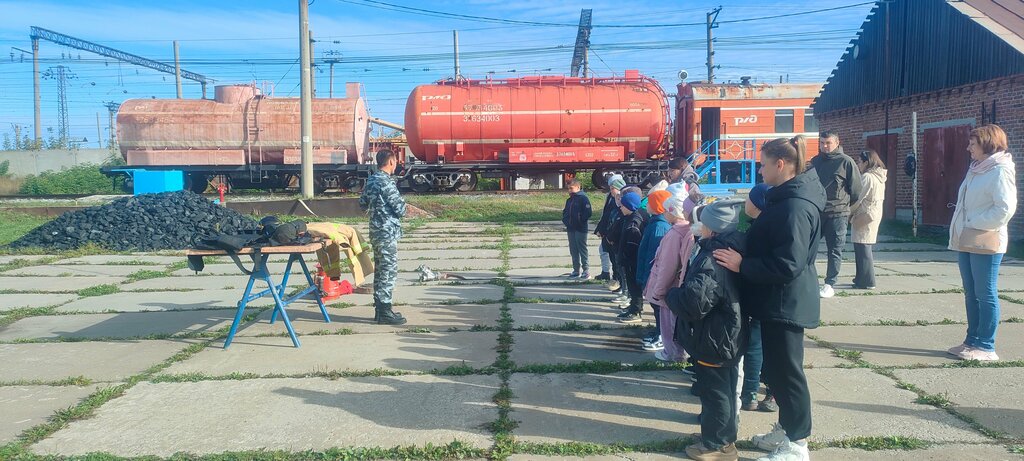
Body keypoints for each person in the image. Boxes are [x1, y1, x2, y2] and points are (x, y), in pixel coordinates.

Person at [713, 136, 824, 461]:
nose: (759, 170)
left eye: (762, 164)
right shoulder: (786, 198)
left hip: (786, 302)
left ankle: (797, 444)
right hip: (777, 301)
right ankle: (786, 428)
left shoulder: (795, 207)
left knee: (788, 374)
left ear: (781, 164)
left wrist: (742, 264)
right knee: (775, 373)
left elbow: (788, 263)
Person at [666, 198, 747, 461]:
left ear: (712, 228)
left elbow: (695, 303)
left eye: (704, 223)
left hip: (715, 337)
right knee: (722, 389)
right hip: (725, 334)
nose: (698, 227)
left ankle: (718, 446)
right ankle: (718, 436)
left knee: (715, 393)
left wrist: (672, 295)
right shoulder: (730, 248)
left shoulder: (713, 259)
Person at [947, 124, 1018, 362]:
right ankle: (972, 340)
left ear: (987, 144)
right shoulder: (977, 168)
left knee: (985, 292)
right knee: (971, 292)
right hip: (967, 237)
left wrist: (973, 221)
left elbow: (1005, 208)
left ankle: (987, 346)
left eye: (972, 144)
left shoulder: (1000, 170)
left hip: (986, 239)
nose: (968, 148)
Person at [644, 192, 697, 362]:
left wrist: (658, 291)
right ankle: (678, 352)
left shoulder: (675, 234)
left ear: (673, 212)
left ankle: (672, 353)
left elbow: (667, 265)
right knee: (676, 323)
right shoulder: (687, 231)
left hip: (669, 288)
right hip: (676, 287)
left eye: (666, 210)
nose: (664, 213)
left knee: (669, 323)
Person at [739, 183, 778, 413]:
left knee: (756, 346)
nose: (746, 203)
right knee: (769, 346)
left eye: (749, 200)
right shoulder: (772, 223)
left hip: (761, 294)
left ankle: (752, 392)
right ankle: (769, 392)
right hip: (770, 295)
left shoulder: (757, 229)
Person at [358, 149, 408, 325]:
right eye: (395, 162)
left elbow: (362, 204)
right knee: (388, 271)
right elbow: (401, 209)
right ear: (391, 162)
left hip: (376, 231)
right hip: (387, 233)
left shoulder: (371, 180)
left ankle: (380, 310)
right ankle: (385, 311)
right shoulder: (386, 182)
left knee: (380, 271)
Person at [810, 130, 861, 298]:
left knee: (835, 250)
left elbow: (856, 191)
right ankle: (808, 280)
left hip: (837, 213)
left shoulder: (846, 162)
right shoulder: (815, 162)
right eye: (822, 143)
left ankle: (830, 283)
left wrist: (843, 205)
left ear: (837, 143)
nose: (825, 146)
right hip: (817, 212)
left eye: (828, 143)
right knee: (808, 247)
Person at [635, 190, 673, 350]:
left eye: (649, 202)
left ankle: (661, 336)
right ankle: (659, 331)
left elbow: (653, 256)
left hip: (653, 275)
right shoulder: (654, 222)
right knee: (655, 306)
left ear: (657, 206)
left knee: (658, 307)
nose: (646, 205)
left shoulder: (659, 226)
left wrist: (647, 278)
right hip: (649, 274)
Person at [849, 149, 888, 290]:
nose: (858, 165)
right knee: (864, 246)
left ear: (866, 162)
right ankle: (861, 278)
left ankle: (867, 280)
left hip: (864, 214)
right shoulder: (879, 177)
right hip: (873, 213)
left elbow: (859, 197)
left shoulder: (867, 177)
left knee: (863, 248)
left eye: (859, 162)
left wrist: (848, 212)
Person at [615, 191, 649, 323]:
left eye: (623, 205)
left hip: (632, 261)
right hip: (630, 260)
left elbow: (633, 245)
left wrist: (626, 258)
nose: (620, 207)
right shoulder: (630, 217)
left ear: (629, 206)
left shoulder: (634, 222)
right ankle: (633, 306)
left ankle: (636, 311)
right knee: (631, 285)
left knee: (634, 286)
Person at [595, 174, 626, 282]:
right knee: (607, 253)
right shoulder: (611, 197)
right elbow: (605, 215)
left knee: (615, 258)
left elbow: (614, 218)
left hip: (613, 235)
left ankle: (615, 278)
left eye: (613, 188)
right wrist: (600, 229)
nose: (611, 190)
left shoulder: (619, 200)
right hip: (608, 232)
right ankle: (610, 275)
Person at [562, 179, 593, 279]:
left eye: (571, 188)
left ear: (578, 188)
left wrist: (580, 221)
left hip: (580, 228)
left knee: (582, 248)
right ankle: (576, 270)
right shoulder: (569, 200)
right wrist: (566, 221)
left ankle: (586, 270)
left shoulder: (583, 198)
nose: (569, 190)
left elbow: (588, 212)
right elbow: (566, 212)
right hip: (571, 228)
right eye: (568, 189)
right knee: (573, 249)